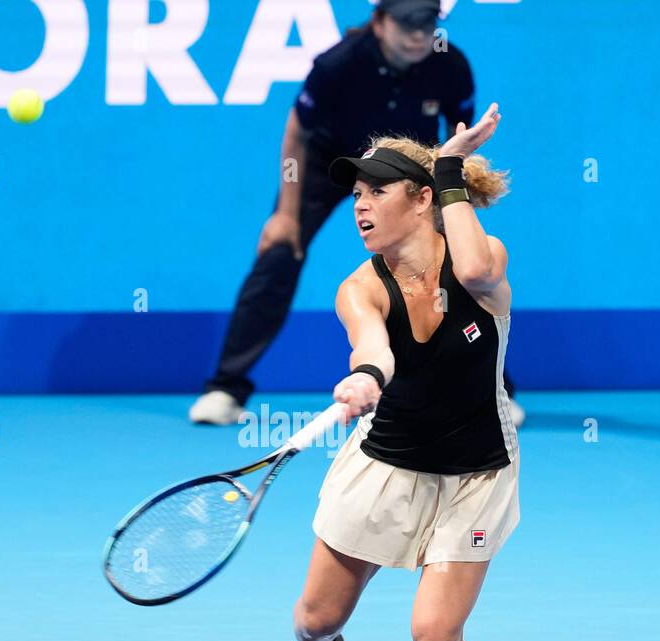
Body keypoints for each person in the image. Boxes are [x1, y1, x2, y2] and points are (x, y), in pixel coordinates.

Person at [267, 104, 517, 641]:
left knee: (436, 640)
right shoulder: (359, 286)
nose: (361, 205)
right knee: (314, 619)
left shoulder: (483, 263)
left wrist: (447, 166)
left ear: (424, 200)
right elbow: (370, 342)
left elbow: (469, 265)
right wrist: (365, 375)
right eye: (355, 193)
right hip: (386, 463)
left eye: (377, 190)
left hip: (475, 474)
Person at [190, 0, 524, 427]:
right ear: (380, 22)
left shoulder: (450, 65)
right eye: (407, 24)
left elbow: (456, 144)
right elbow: (297, 131)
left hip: (407, 172)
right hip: (332, 163)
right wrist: (287, 215)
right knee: (278, 253)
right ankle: (225, 387)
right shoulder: (338, 65)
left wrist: (450, 199)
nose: (419, 34)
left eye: (427, 23)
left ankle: (495, 386)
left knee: (456, 265)